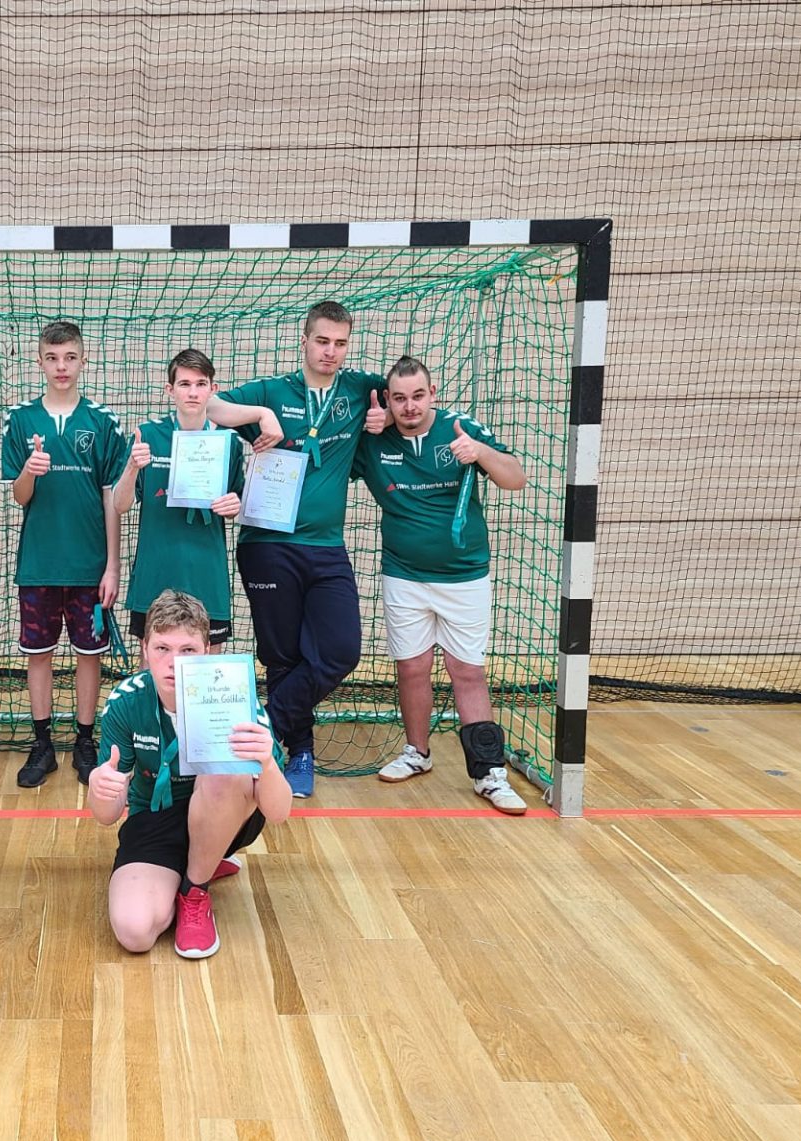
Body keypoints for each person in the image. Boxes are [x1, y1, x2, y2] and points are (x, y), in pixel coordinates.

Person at [203, 301, 385, 798]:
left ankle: (260, 726)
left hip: (327, 548)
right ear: (304, 340)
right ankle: (297, 750)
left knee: (341, 650)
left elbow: (411, 395)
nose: (330, 352)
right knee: (282, 656)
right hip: (268, 544)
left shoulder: (358, 388)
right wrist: (262, 415)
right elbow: (211, 407)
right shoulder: (272, 391)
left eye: (340, 343)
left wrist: (385, 415)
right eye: (322, 341)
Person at [354, 356, 529, 814]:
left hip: (463, 576)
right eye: (399, 398)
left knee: (466, 671)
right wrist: (368, 422)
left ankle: (489, 773)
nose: (409, 406)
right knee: (411, 668)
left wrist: (481, 454)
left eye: (417, 395)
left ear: (433, 394)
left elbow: (516, 478)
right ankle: (418, 753)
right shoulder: (372, 440)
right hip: (403, 575)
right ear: (387, 402)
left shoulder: (458, 429)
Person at [87, 590, 292, 959]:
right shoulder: (126, 701)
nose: (173, 663)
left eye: (187, 650)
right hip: (156, 818)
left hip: (226, 810)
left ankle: (195, 888)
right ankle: (201, 860)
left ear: (207, 652)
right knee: (135, 932)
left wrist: (268, 764)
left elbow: (278, 812)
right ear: (144, 649)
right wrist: (99, 790)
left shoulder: (234, 699)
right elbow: (105, 816)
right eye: (162, 648)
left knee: (223, 771)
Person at [1, 320, 129, 788]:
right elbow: (18, 496)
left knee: (88, 655)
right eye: (52, 358)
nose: (61, 366)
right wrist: (30, 472)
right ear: (40, 361)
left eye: (70, 357)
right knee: (39, 655)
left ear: (83, 360)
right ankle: (41, 745)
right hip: (38, 564)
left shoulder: (102, 422)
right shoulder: (20, 420)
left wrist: (112, 565)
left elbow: (111, 498)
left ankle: (84, 741)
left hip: (89, 566)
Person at [113, 349, 245, 654]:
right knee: (153, 674)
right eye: (184, 384)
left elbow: (238, 503)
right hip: (156, 574)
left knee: (207, 671)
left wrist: (235, 505)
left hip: (206, 574)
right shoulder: (146, 435)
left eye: (201, 384)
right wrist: (132, 467)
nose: (193, 392)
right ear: (170, 390)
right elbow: (120, 505)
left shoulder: (229, 442)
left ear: (213, 389)